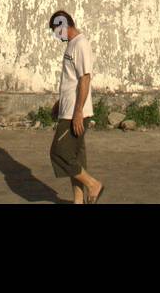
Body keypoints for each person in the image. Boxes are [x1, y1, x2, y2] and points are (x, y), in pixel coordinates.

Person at [47, 10, 104, 203]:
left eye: (57, 31)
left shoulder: (81, 44)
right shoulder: (72, 45)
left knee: (59, 152)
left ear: (64, 25)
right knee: (75, 158)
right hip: (68, 108)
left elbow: (85, 79)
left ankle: (93, 185)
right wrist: (60, 102)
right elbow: (71, 80)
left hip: (74, 113)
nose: (56, 36)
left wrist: (78, 112)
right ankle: (78, 201)